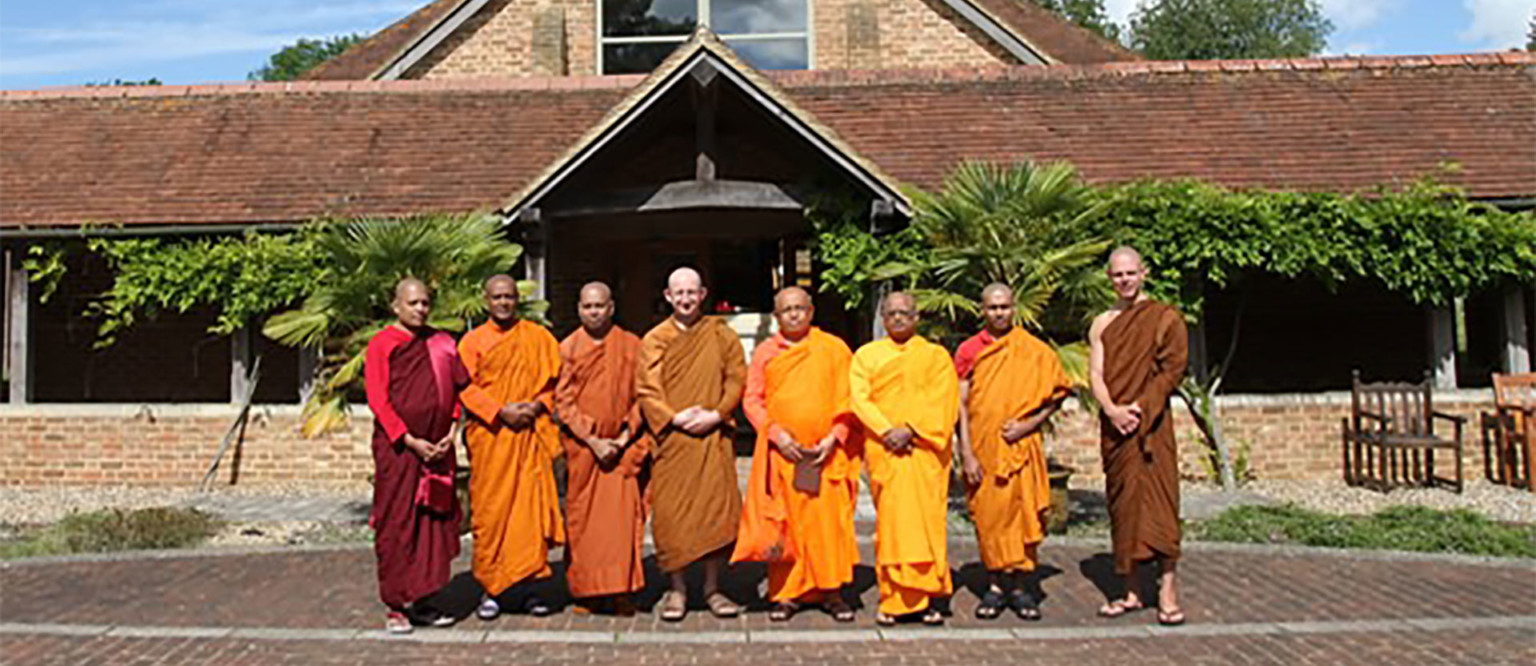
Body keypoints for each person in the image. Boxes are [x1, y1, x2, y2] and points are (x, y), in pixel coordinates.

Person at [732, 286, 860, 623]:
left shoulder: (833, 349)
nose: (794, 314)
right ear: (776, 317)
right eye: (786, 310)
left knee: (827, 525)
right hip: (784, 455)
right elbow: (752, 400)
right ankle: (787, 594)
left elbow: (848, 398)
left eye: (800, 308)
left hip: (825, 455)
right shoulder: (765, 353)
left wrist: (836, 436)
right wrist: (775, 434)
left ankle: (831, 591)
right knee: (786, 525)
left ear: (811, 311)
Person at [955, 283, 1073, 621]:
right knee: (990, 518)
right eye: (992, 308)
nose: (999, 313)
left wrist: (1029, 425)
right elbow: (961, 404)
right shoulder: (968, 350)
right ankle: (994, 586)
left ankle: (1021, 587)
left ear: (1014, 308)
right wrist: (966, 451)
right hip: (984, 448)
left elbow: (1057, 394)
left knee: (1024, 516)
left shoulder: (1033, 350)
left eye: (1004, 307)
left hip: (1022, 447)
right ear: (982, 310)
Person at [636, 267, 747, 621]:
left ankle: (713, 588)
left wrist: (717, 414)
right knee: (671, 516)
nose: (685, 299)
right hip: (674, 440)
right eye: (678, 293)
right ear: (668, 297)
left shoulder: (721, 335)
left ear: (703, 295)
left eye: (691, 292)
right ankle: (677, 589)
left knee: (716, 513)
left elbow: (736, 378)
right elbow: (646, 389)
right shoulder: (655, 338)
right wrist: (675, 417)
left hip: (713, 437)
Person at [1088, 246, 1189, 627]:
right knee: (1123, 506)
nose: (1124, 280)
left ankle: (1166, 590)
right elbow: (1095, 375)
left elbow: (1172, 369)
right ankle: (1130, 591)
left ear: (1144, 273)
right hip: (1116, 426)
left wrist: (1142, 408)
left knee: (1162, 504)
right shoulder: (1102, 322)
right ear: (1109, 278)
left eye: (1130, 273)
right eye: (1117, 275)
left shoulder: (1165, 318)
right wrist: (1113, 410)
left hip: (1152, 426)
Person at [364, 277, 468, 634]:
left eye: (425, 303)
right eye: (413, 303)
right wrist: (409, 439)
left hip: (438, 448)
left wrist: (451, 431)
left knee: (432, 521)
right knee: (398, 521)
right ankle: (396, 604)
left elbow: (456, 391)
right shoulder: (382, 344)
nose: (421, 309)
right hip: (400, 450)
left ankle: (426, 599)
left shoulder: (441, 343)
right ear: (396, 306)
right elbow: (378, 398)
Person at [849, 291, 960, 626]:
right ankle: (894, 598)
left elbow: (944, 401)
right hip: (886, 452)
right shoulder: (867, 355)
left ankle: (929, 597)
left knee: (927, 525)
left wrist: (911, 429)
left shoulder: (936, 356)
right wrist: (887, 431)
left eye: (905, 313)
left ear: (917, 317)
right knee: (894, 526)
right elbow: (859, 399)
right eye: (892, 313)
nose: (898, 318)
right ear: (883, 318)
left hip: (924, 451)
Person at [458, 274, 565, 620]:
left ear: (517, 299)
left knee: (529, 517)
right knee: (492, 514)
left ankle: (532, 588)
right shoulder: (472, 342)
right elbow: (464, 387)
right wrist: (498, 411)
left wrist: (536, 406)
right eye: (497, 297)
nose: (503, 302)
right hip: (493, 440)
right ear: (486, 300)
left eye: (509, 297)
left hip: (529, 438)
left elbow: (553, 382)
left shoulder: (537, 338)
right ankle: (492, 589)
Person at [554, 282, 650, 615]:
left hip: (621, 448)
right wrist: (592, 441)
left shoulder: (632, 345)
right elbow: (562, 402)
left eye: (600, 306)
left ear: (612, 307)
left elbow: (644, 396)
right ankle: (587, 593)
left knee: (623, 525)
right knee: (583, 525)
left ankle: (622, 591)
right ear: (579, 309)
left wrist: (624, 437)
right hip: (585, 451)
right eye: (587, 307)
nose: (594, 312)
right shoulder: (568, 348)